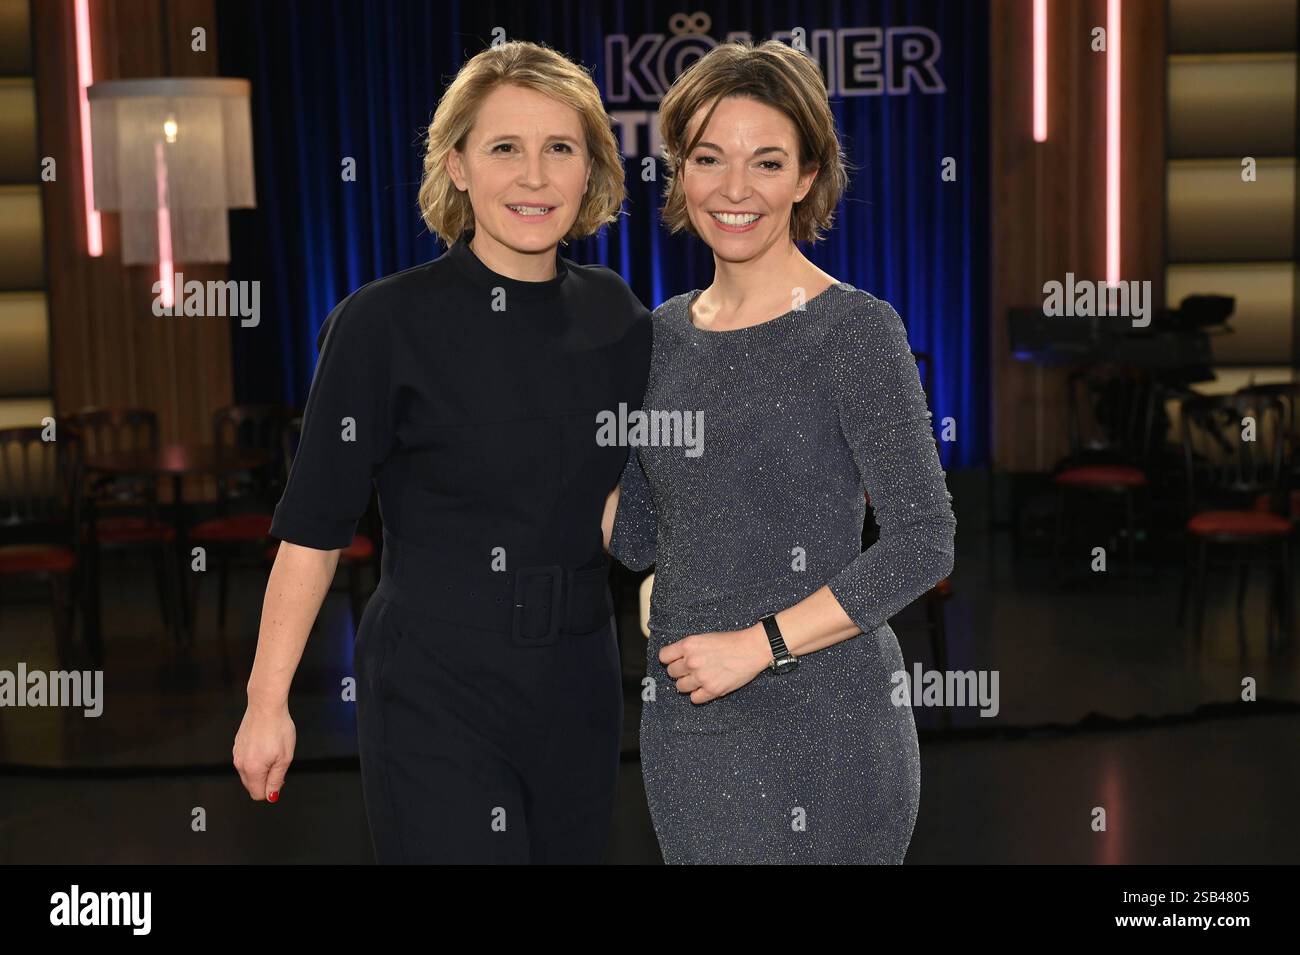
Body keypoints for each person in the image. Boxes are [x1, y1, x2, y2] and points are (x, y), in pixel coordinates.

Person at [233, 40, 651, 864]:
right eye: (504, 148)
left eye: (559, 148)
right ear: (457, 165)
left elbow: (620, 504)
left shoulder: (619, 316)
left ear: (589, 168)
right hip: (435, 679)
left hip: (581, 679)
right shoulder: (382, 324)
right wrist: (265, 697)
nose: (533, 176)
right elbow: (314, 530)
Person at [604, 40, 957, 863]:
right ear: (679, 173)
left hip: (829, 723)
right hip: (690, 725)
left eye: (767, 162)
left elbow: (922, 539)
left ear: (806, 178)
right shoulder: (656, 338)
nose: (734, 189)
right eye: (709, 158)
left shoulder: (855, 331)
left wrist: (757, 644)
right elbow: (639, 539)